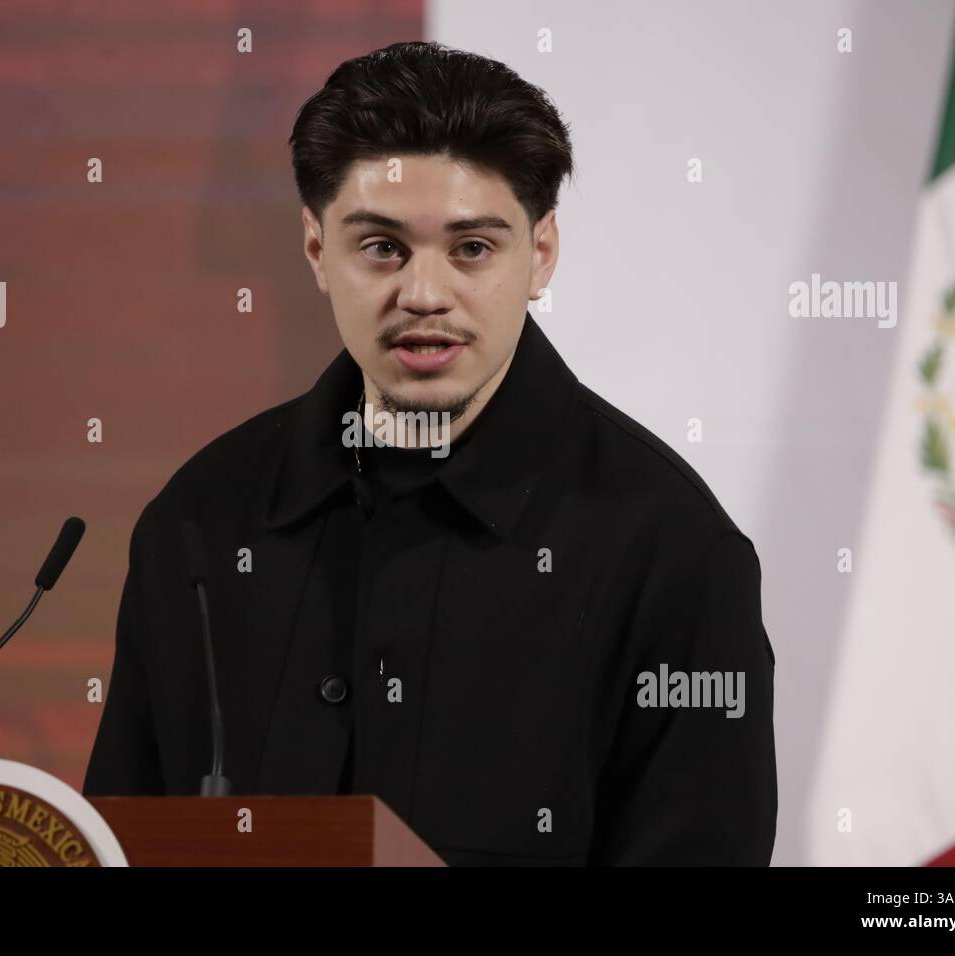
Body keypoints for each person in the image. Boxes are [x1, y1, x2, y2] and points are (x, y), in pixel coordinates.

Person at [84, 40, 777, 866]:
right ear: (317, 251)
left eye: (471, 248)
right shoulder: (202, 518)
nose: (423, 295)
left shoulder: (673, 551)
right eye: (382, 247)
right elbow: (115, 841)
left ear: (541, 254)